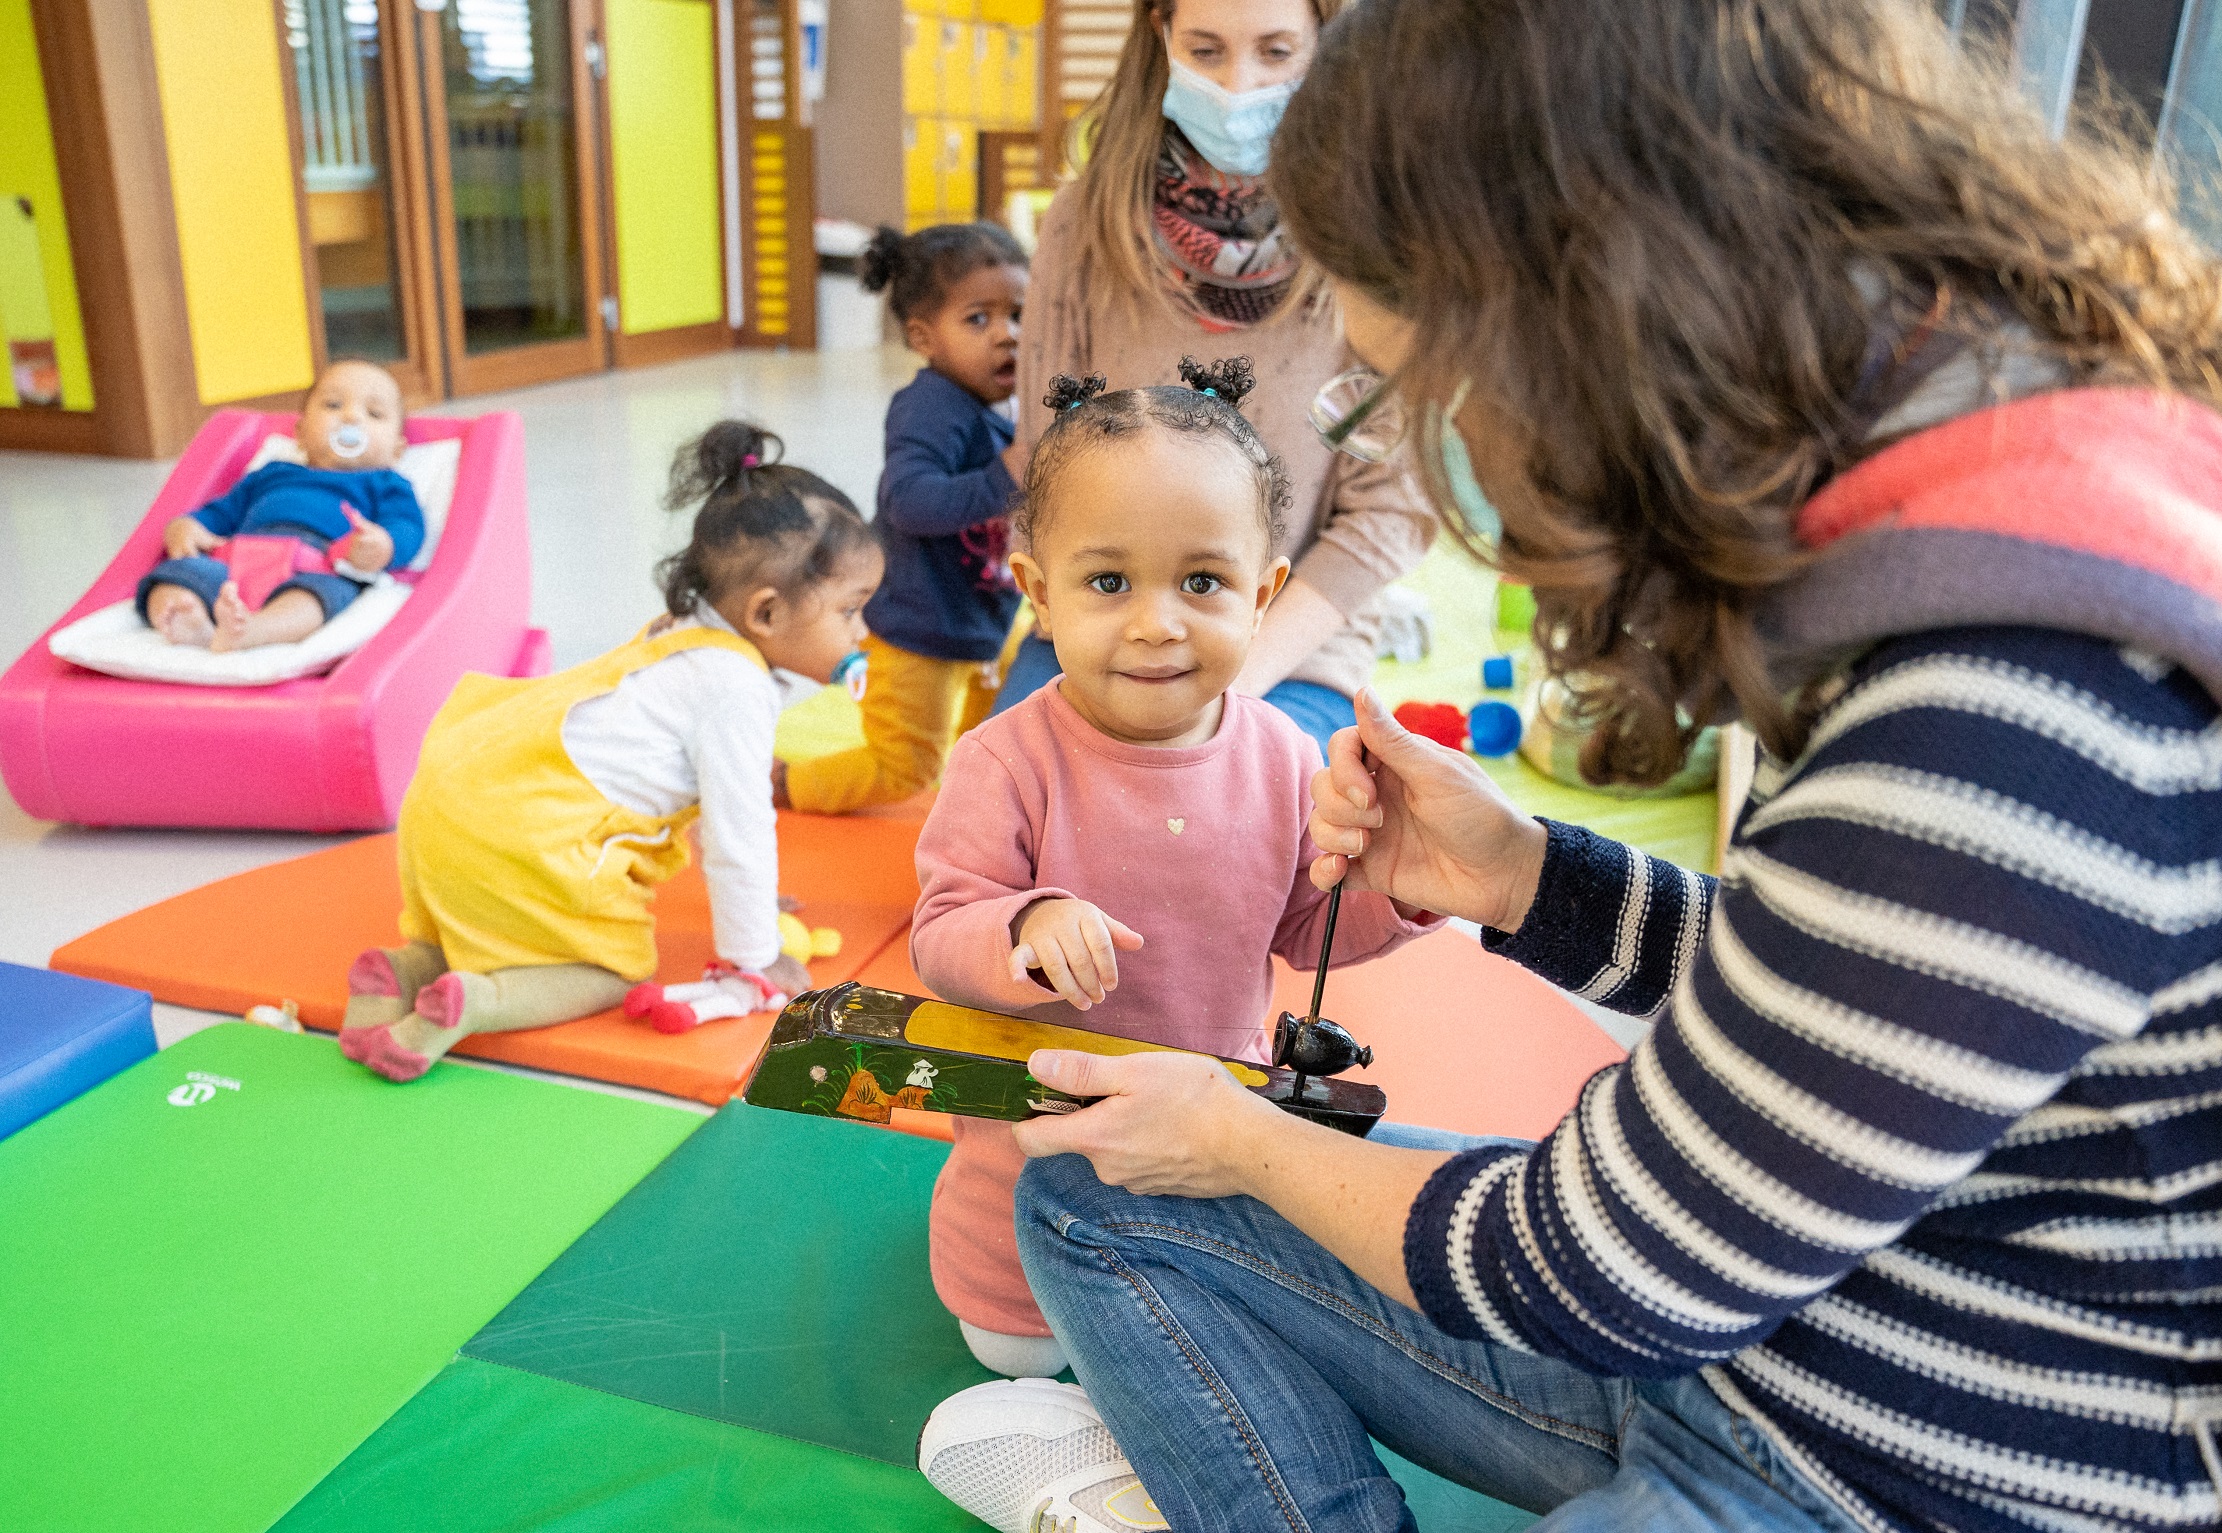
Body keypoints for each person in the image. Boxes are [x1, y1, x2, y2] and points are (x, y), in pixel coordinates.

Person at [913, 2, 2222, 1531]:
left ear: (1563, 335)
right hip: (1761, 1328)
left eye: (1406, 386)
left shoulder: (2003, 696)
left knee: (1182, 1166)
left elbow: (1602, 1271)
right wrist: (1532, 879)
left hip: (1893, 1465)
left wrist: (1240, 1132)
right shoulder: (1986, 493)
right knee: (1091, 1194)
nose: (1431, 449)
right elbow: (1849, 1000)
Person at [909, 358, 1442, 1386]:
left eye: (1201, 582)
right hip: (1037, 1146)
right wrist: (1022, 927)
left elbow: (1309, 924)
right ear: (1040, 594)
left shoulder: (1281, 752)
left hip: (1213, 1132)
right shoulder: (1003, 761)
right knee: (1013, 1348)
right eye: (1109, 582)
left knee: (1221, 1318)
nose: (1157, 622)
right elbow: (941, 934)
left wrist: (1402, 885)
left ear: (1263, 595)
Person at [340, 421, 883, 1083]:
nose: (862, 631)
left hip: (455, 802)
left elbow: (702, 798)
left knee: (497, 928)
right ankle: (480, 1000)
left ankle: (405, 970)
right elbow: (738, 829)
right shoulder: (735, 688)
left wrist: (759, 902)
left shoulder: (679, 633)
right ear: (765, 614)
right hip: (522, 834)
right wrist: (756, 953)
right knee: (615, 969)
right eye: (850, 610)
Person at [991, 0, 1436, 752]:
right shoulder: (1082, 225)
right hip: (1100, 634)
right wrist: (1112, 648)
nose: (1238, 87)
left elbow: (1390, 511)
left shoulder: (1380, 242)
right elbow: (1047, 466)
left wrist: (1225, 683)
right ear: (1161, 36)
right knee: (1001, 804)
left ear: (1330, 47)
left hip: (1288, 648)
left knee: (1235, 820)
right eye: (1205, 51)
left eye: (1276, 52)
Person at [781, 222, 1034, 815]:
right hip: (916, 631)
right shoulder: (927, 408)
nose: (1008, 335)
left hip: (978, 620)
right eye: (979, 319)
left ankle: (976, 811)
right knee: (905, 767)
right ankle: (785, 785)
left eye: (1018, 315)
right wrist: (1003, 476)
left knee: (993, 739)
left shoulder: (995, 405)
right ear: (923, 336)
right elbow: (909, 501)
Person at [141, 359, 422, 652]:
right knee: (174, 576)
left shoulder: (386, 483)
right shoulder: (272, 473)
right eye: (333, 405)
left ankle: (253, 630)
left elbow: (407, 525)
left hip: (316, 565)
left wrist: (384, 545)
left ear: (396, 450)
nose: (351, 417)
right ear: (300, 433)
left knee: (317, 599)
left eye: (374, 413)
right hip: (235, 560)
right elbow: (223, 511)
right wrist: (187, 526)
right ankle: (191, 619)